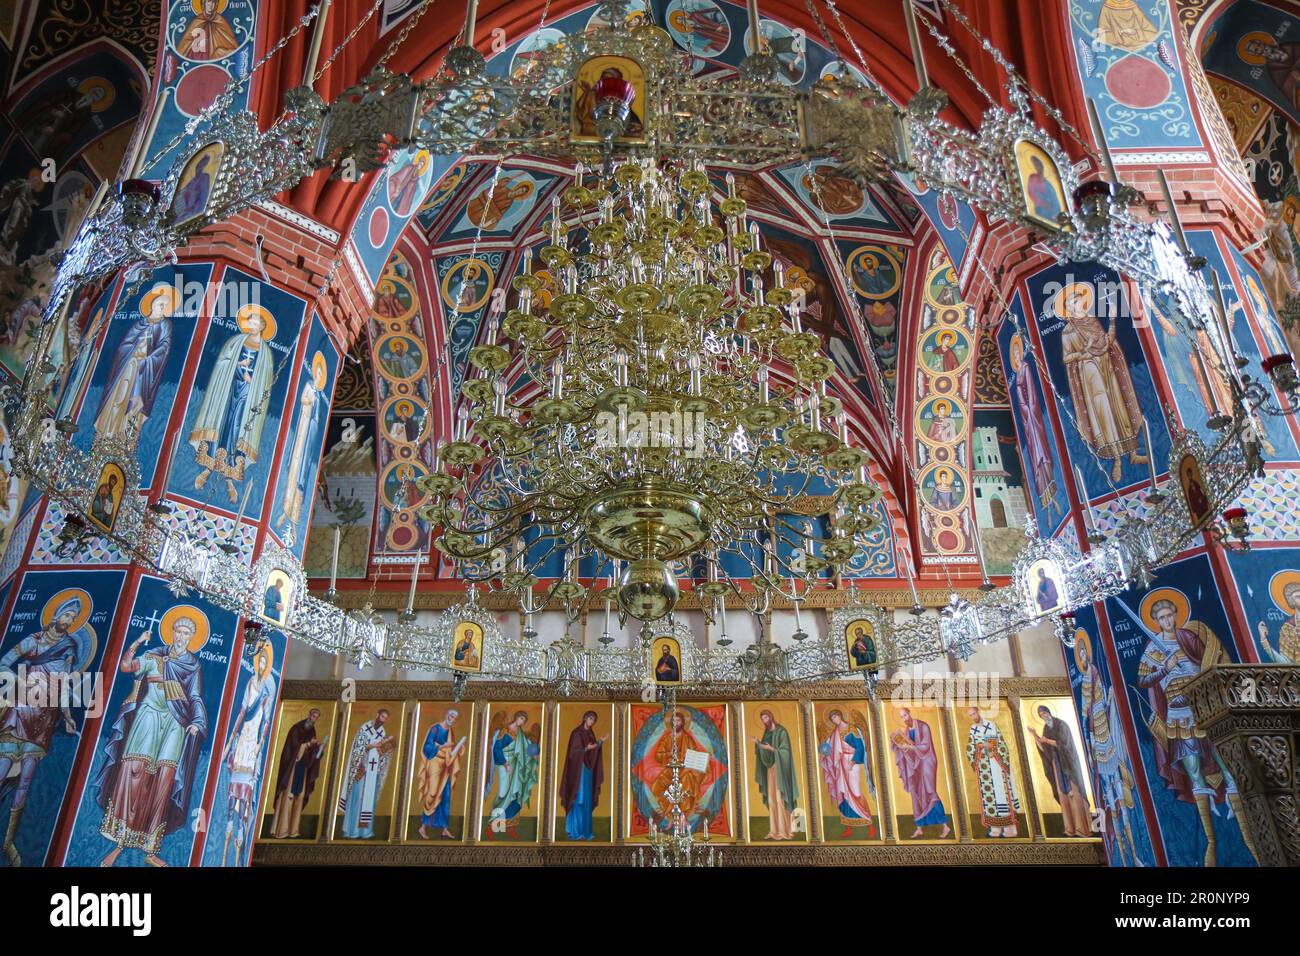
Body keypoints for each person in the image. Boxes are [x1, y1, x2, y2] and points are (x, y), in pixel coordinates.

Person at [1136, 596, 1259, 865]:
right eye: (1162, 618)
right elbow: (1143, 679)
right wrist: (1163, 669)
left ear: (1176, 615)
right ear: (1156, 621)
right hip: (1179, 717)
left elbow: (1209, 663)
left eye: (1170, 615)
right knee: (1194, 773)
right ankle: (1211, 844)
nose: (1167, 621)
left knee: (1228, 766)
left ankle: (1252, 840)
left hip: (1206, 709)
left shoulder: (1189, 638)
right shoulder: (1152, 649)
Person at [96, 613, 207, 867]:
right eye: (178, 631)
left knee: (164, 780)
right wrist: (137, 642)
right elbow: (126, 667)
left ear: (191, 637)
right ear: (172, 633)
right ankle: (119, 842)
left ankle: (150, 849)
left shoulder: (192, 665)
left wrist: (197, 721)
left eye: (186, 633)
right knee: (135, 772)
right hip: (147, 716)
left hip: (175, 724)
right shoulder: (154, 656)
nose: (181, 637)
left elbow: (196, 696)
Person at [0, 595, 90, 866]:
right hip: (20, 710)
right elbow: (4, 662)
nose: (68, 621)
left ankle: (7, 842)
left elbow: (62, 686)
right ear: (56, 615)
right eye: (66, 615)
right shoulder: (34, 640)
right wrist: (17, 682)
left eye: (73, 619)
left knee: (25, 783)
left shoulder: (69, 647)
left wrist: (67, 716)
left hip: (44, 718)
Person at [1055, 282, 1148, 483]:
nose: (1081, 303)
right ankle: (1117, 460)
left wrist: (1112, 319)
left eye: (1080, 300)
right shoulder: (1068, 332)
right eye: (1076, 301)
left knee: (1118, 406)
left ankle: (1132, 453)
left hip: (1107, 366)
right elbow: (1067, 358)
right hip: (1089, 372)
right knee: (1104, 411)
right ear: (1069, 307)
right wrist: (1083, 352)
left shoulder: (1092, 320)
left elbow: (1106, 341)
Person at [190, 305, 274, 502]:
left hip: (247, 399)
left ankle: (229, 480)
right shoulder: (235, 342)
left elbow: (264, 383)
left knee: (236, 428)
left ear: (261, 326)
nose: (250, 324)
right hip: (227, 392)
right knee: (220, 425)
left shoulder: (266, 354)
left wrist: (251, 381)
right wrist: (239, 368)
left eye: (254, 322)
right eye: (249, 321)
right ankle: (207, 469)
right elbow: (223, 364)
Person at [1077, 637, 1144, 865]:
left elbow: (1099, 702)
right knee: (1108, 797)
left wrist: (1111, 698)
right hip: (1096, 735)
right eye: (1081, 655)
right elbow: (1085, 713)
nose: (1084, 658)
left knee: (1121, 794)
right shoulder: (1086, 681)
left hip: (1105, 729)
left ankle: (1133, 854)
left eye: (1086, 654)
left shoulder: (1096, 673)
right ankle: (1122, 857)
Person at [94, 283, 176, 441]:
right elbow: (124, 346)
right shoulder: (140, 324)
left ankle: (123, 437)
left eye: (166, 306)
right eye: (161, 304)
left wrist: (147, 359)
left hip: (144, 372)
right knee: (119, 397)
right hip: (128, 367)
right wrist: (133, 351)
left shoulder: (165, 325)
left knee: (133, 401)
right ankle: (107, 432)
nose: (163, 308)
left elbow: (164, 347)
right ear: (152, 305)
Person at [217, 644, 275, 866]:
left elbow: (267, 720)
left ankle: (237, 857)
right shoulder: (250, 683)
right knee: (232, 799)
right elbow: (242, 710)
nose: (260, 665)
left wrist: (260, 744)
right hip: (242, 740)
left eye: (264, 662)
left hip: (253, 745)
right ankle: (223, 858)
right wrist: (231, 738)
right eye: (258, 661)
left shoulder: (268, 692)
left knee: (246, 801)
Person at [1028, 704, 1091, 838]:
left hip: (1069, 765)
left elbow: (1065, 744)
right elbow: (1044, 749)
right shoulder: (1046, 728)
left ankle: (1082, 828)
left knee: (1075, 793)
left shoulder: (1061, 725)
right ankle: (1070, 828)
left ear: (1049, 712)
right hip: (1057, 765)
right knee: (1064, 795)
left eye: (1044, 713)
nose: (1043, 716)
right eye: (1041, 715)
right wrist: (1035, 736)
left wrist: (1048, 741)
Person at [889, 708, 951, 838]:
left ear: (910, 713)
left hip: (927, 762)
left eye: (905, 715)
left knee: (930, 791)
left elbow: (926, 746)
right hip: (914, 765)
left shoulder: (923, 726)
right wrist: (896, 742)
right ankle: (919, 827)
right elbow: (908, 749)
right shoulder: (906, 731)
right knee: (915, 793)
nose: (905, 718)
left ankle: (945, 826)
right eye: (902, 717)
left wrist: (910, 746)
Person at [338, 709, 395, 839]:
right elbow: (357, 748)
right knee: (357, 799)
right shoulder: (364, 728)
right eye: (382, 716)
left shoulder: (382, 732)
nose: (383, 720)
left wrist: (386, 748)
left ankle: (365, 832)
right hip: (361, 769)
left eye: (385, 718)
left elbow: (380, 753)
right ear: (377, 715)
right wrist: (370, 746)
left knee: (369, 801)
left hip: (372, 773)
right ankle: (352, 831)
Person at [819, 710, 876, 838]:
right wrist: (823, 752)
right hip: (840, 765)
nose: (834, 720)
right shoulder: (834, 733)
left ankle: (869, 825)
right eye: (832, 718)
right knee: (842, 794)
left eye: (835, 716)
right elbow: (828, 748)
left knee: (856, 793)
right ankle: (848, 827)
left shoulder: (852, 729)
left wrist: (854, 761)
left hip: (852, 765)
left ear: (840, 715)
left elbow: (860, 747)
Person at [965, 707, 1021, 838]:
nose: (973, 716)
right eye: (971, 715)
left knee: (1003, 794)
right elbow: (970, 747)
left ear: (978, 712)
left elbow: (1000, 743)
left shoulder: (991, 725)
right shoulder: (973, 729)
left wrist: (989, 747)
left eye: (974, 713)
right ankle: (995, 829)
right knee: (989, 797)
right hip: (984, 769)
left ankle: (1010, 829)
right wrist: (979, 750)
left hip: (997, 764)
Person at [270, 708, 324, 838]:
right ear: (308, 715)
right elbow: (292, 746)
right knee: (288, 796)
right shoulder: (296, 728)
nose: (313, 718)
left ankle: (293, 830)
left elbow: (311, 750)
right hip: (292, 768)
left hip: (303, 767)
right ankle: (281, 830)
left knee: (298, 797)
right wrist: (306, 745)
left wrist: (317, 747)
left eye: (316, 717)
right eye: (313, 715)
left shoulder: (312, 731)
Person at [484, 710, 538, 839]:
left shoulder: (520, 735)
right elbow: (497, 748)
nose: (521, 722)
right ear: (516, 717)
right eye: (520, 718)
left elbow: (528, 747)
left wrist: (535, 755)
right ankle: (493, 827)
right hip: (505, 766)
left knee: (515, 796)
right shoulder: (505, 730)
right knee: (503, 794)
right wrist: (505, 763)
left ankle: (510, 827)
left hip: (516, 767)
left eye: (524, 721)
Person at [417, 709, 464, 839]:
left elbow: (451, 750)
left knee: (445, 795)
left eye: (455, 718)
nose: (452, 719)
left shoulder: (450, 732)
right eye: (451, 716)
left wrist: (458, 748)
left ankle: (444, 829)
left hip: (446, 765)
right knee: (432, 793)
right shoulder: (435, 729)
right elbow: (427, 748)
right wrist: (443, 747)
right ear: (446, 715)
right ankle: (423, 827)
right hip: (435, 762)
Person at [751, 710, 799, 840]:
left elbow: (786, 752)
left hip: (780, 769)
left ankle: (786, 831)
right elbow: (764, 753)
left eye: (766, 717)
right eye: (762, 719)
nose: (764, 720)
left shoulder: (782, 732)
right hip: (770, 769)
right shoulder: (766, 733)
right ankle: (774, 831)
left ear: (771, 717)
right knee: (772, 800)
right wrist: (758, 744)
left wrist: (771, 749)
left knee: (780, 799)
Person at [559, 711, 605, 841]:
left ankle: (586, 832)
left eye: (593, 720)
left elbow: (592, 751)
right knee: (578, 799)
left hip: (587, 771)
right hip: (577, 771)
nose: (591, 722)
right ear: (585, 718)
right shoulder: (576, 734)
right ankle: (575, 831)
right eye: (590, 719)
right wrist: (585, 749)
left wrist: (599, 743)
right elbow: (573, 753)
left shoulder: (590, 734)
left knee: (586, 800)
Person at [1024, 154, 1062, 222]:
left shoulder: (1048, 182)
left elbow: (1054, 198)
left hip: (1053, 210)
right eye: (1035, 165)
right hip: (1042, 209)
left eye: (1038, 164)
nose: (1038, 167)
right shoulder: (1033, 178)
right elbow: (1031, 193)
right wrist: (1043, 203)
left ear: (1042, 164)